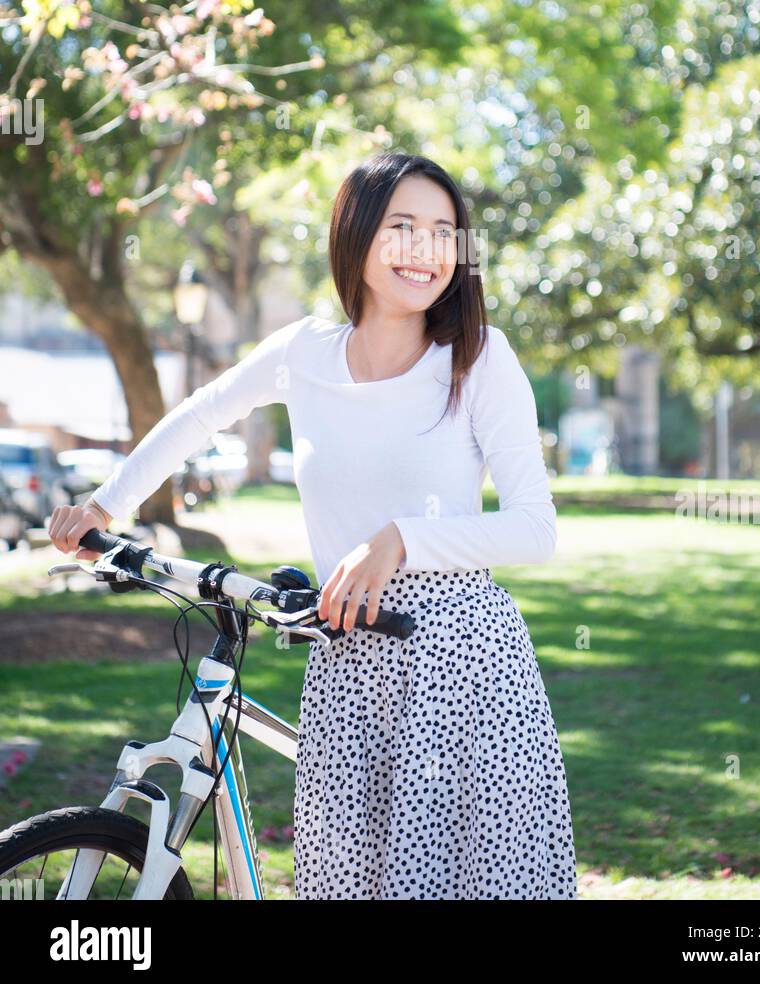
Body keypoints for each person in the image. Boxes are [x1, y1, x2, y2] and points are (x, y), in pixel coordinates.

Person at [49, 150, 578, 901]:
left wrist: (398, 539)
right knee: (343, 883)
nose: (424, 250)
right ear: (355, 235)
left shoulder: (477, 358)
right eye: (402, 227)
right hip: (345, 662)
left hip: (459, 664)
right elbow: (200, 415)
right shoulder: (304, 353)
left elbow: (535, 529)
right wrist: (103, 508)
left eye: (442, 231)